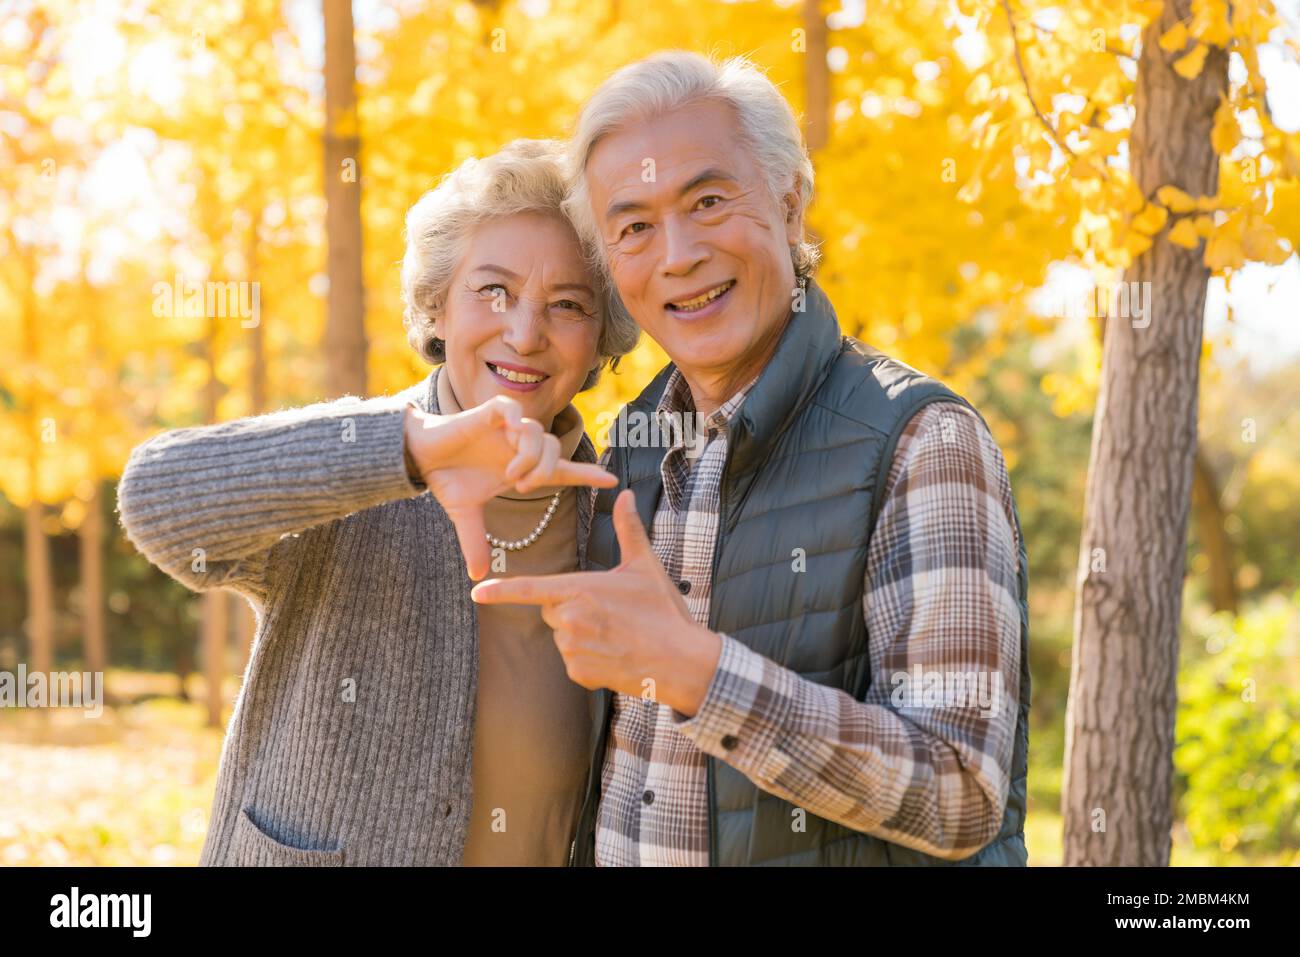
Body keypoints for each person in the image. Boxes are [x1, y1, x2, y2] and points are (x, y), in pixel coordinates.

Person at [471, 53, 1032, 866]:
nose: (679, 254)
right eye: (633, 227)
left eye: (707, 201)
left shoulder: (922, 439)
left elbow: (961, 790)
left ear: (792, 203)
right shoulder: (626, 449)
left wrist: (700, 674)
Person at [116, 138, 637, 865]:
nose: (525, 332)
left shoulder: (620, 516)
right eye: (493, 290)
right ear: (435, 308)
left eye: (569, 303)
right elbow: (156, 500)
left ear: (600, 338)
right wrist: (409, 453)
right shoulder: (355, 471)